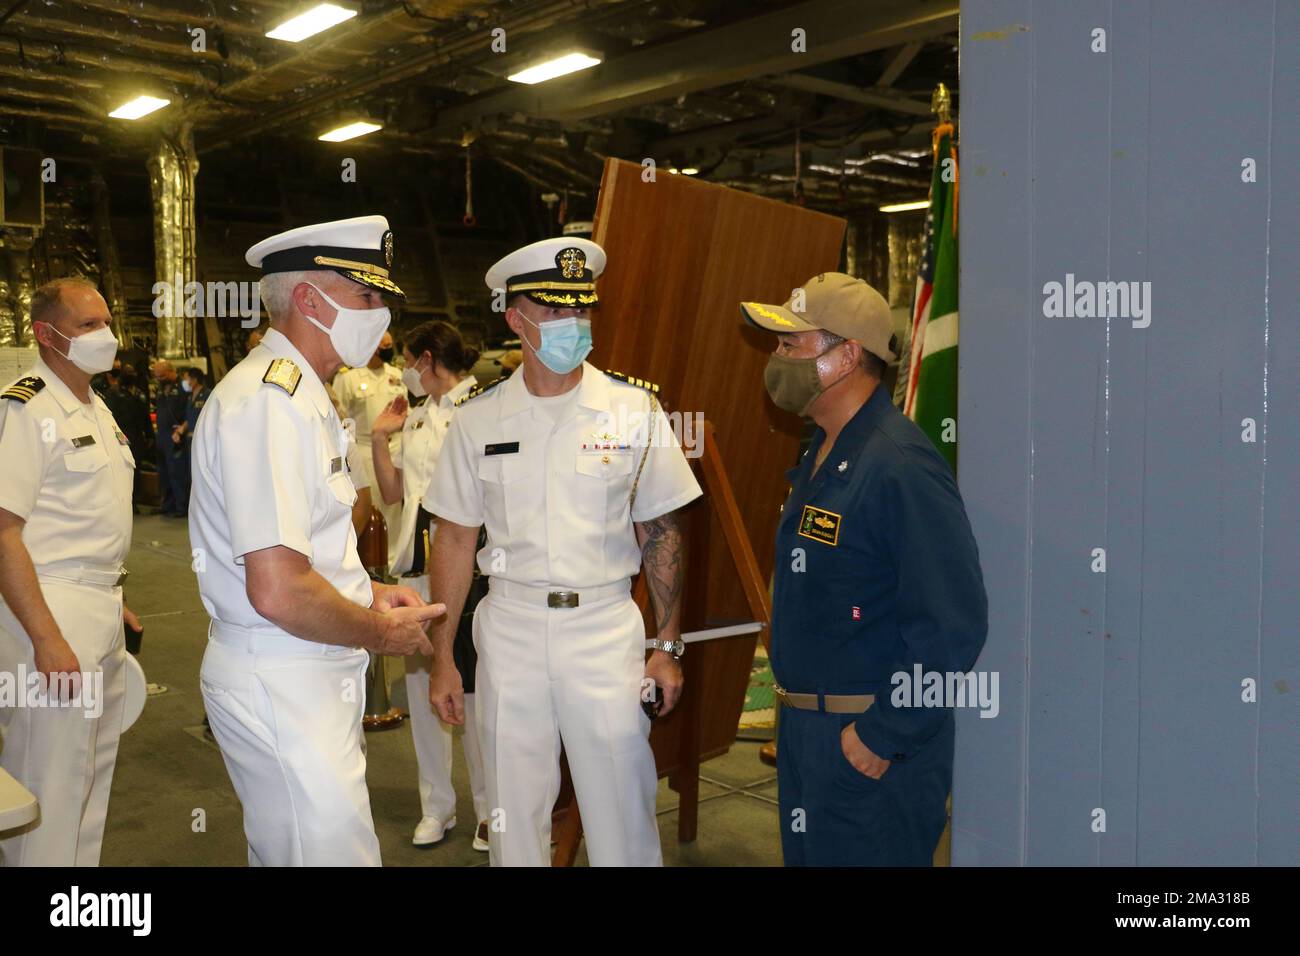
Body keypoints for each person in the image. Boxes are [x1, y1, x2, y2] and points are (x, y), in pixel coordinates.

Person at [424, 237, 702, 866]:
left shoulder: (634, 408)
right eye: (551, 311)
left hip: (604, 628)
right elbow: (456, 539)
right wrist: (444, 656)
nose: (570, 325)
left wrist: (668, 645)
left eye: (580, 311)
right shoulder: (477, 420)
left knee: (621, 807)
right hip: (511, 628)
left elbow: (662, 530)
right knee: (511, 811)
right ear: (513, 317)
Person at [188, 215, 445, 866]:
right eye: (367, 296)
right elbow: (276, 588)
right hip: (283, 674)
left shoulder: (302, 395)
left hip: (306, 671)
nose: (381, 315)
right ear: (309, 300)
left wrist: (370, 593)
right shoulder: (269, 401)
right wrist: (379, 631)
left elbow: (307, 552)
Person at [739, 272, 988, 866]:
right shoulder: (820, 449)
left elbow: (953, 623)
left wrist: (884, 735)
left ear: (846, 355)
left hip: (869, 745)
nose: (777, 359)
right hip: (810, 737)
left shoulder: (899, 465)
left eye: (790, 344)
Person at [0, 277, 138, 866]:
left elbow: (86, 520)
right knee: (48, 785)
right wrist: (47, 637)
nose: (104, 335)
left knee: (88, 786)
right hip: (49, 614)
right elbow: (3, 530)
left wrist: (113, 596)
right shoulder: (27, 405)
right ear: (45, 333)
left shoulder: (96, 407)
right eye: (87, 326)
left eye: (105, 322)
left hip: (97, 607)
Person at [370, 320, 489, 850]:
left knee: (477, 692)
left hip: (470, 570)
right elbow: (394, 492)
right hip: (415, 569)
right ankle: (436, 806)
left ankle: (490, 809)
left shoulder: (482, 407)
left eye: (411, 362)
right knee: (422, 692)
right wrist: (379, 437)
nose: (407, 374)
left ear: (428, 360)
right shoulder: (415, 418)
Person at [334, 330, 406, 547]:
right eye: (384, 347)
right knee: (371, 506)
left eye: (389, 346)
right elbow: (339, 417)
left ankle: (392, 557)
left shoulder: (397, 374)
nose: (388, 351)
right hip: (365, 451)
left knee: (394, 508)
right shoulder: (348, 378)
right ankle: (369, 557)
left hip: (395, 448)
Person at [150, 359, 188, 517]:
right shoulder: (159, 388)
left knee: (177, 472)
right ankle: (167, 505)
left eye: (163, 376)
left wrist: (181, 429)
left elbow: (190, 412)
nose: (159, 379)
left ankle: (182, 506)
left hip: (177, 435)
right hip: (162, 435)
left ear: (172, 372)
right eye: (157, 376)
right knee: (163, 472)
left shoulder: (183, 387)